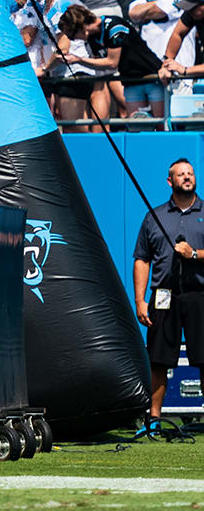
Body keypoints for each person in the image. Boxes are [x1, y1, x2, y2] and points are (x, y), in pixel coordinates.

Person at [133, 158, 204, 421]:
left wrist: (194, 253)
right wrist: (140, 300)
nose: (187, 177)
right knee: (159, 360)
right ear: (169, 181)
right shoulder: (154, 217)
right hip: (163, 296)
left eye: (191, 173)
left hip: (199, 295)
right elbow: (142, 259)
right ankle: (153, 419)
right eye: (181, 174)